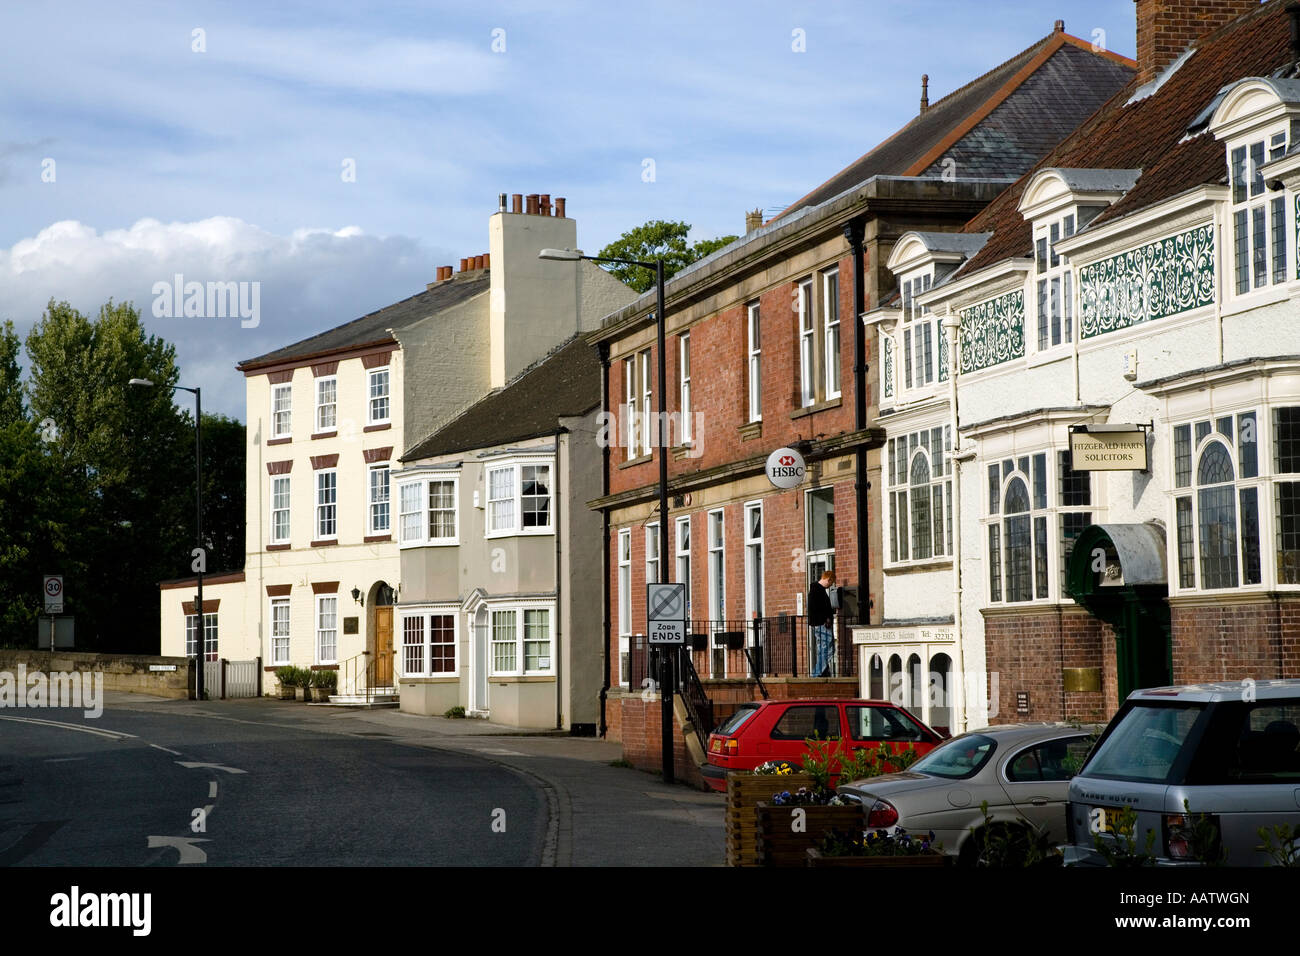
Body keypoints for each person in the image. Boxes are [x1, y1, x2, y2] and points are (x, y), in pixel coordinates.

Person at [808, 569, 836, 677]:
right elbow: (818, 608)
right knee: (829, 649)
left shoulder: (815, 590)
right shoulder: (818, 591)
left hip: (818, 624)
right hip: (822, 625)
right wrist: (826, 618)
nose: (830, 586)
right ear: (828, 579)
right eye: (831, 583)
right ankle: (817, 673)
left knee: (822, 650)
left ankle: (822, 671)